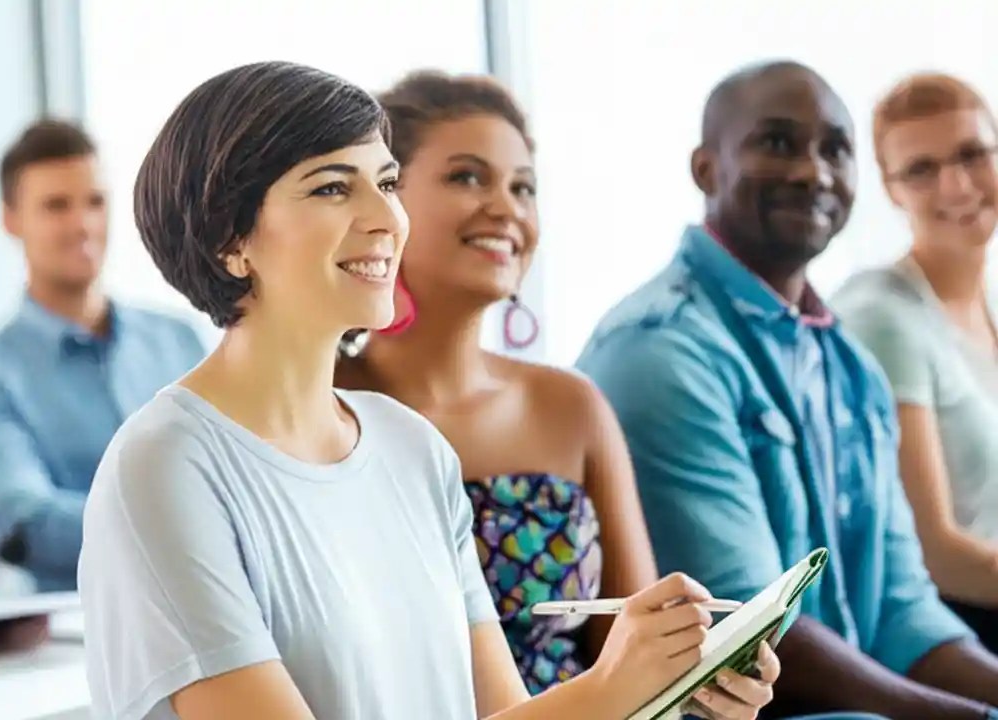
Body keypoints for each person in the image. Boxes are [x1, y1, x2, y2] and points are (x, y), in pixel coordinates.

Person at [77, 60, 780, 720]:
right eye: (331, 186)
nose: (386, 219)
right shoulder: (165, 466)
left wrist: (664, 686)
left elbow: (505, 716)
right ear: (229, 240)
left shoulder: (411, 447)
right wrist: (606, 690)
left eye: (384, 182)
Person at [577, 60, 998, 719]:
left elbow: (902, 612)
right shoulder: (660, 349)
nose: (812, 171)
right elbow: (753, 632)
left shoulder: (849, 365)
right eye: (776, 143)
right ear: (705, 169)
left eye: (835, 148)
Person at [335, 71, 654, 693]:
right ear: (384, 200)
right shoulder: (313, 404)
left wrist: (705, 679)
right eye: (467, 177)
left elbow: (637, 650)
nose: (507, 208)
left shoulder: (571, 406)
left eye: (523, 187)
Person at [0, 119, 206, 592]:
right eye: (56, 206)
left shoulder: (179, 339)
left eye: (95, 202)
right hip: (76, 637)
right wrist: (185, 528)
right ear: (10, 219)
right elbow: (21, 521)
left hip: (212, 607)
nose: (82, 222)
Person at [831, 72, 998, 653]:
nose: (956, 186)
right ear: (891, 188)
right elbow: (937, 552)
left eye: (973, 154)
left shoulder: (986, 305)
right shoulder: (884, 316)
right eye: (922, 170)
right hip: (958, 627)